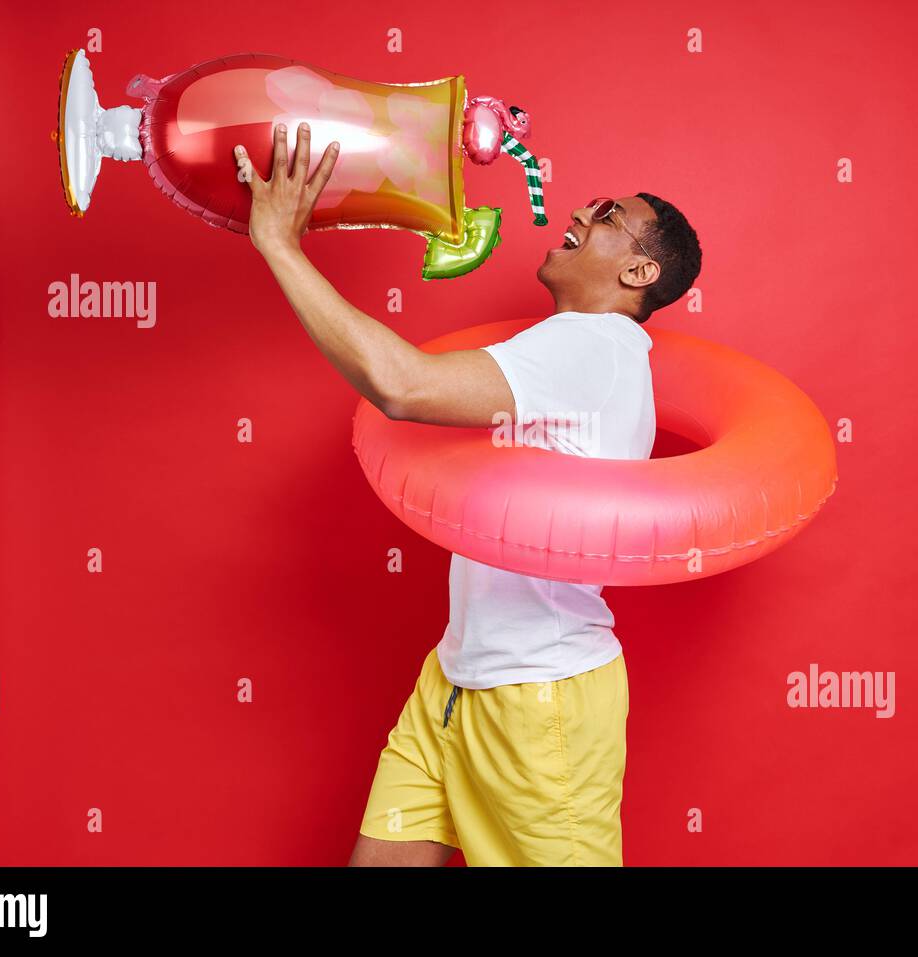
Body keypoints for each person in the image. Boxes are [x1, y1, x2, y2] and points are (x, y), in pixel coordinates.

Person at [235, 122, 702, 866]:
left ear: (641, 275)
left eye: (608, 215)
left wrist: (281, 245)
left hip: (539, 700)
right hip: (456, 674)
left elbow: (402, 385)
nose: (580, 215)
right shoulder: (575, 353)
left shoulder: (591, 345)